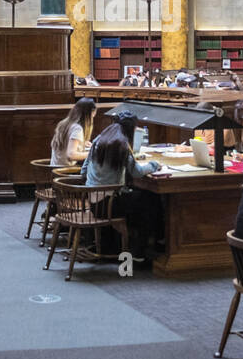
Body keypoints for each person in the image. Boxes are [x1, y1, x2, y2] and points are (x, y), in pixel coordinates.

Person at [83, 111, 164, 260]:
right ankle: (141, 250)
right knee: (151, 200)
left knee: (138, 197)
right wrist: (154, 165)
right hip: (108, 204)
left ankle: (131, 244)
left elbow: (84, 169)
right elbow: (137, 172)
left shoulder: (98, 140)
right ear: (130, 129)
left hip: (93, 202)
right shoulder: (121, 145)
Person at [50, 97, 96, 166]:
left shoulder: (64, 123)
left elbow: (66, 144)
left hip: (55, 169)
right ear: (89, 115)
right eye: (92, 116)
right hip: (65, 172)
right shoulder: (77, 129)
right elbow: (71, 155)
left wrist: (82, 142)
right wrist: (93, 153)